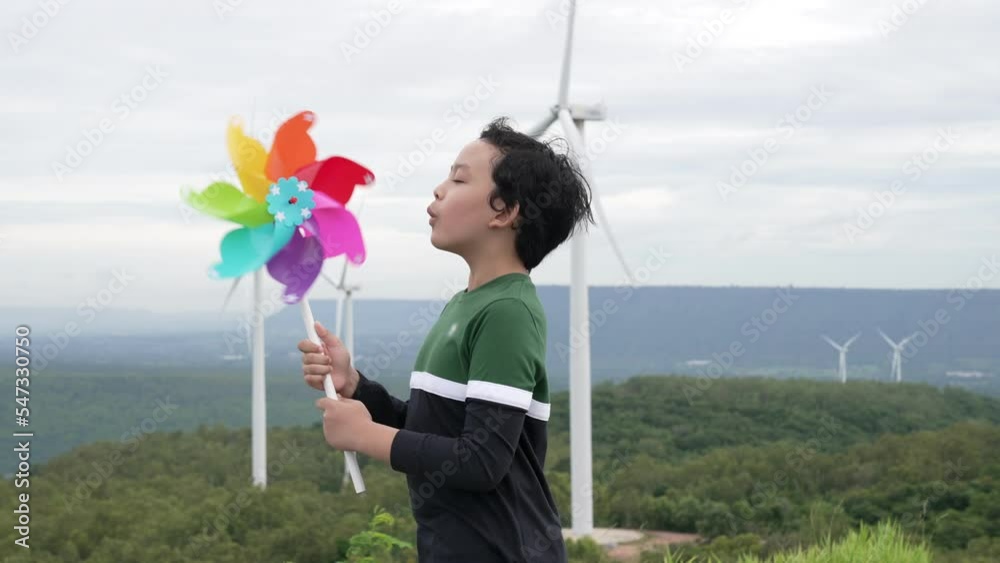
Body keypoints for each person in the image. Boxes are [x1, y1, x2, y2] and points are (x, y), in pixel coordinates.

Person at [299, 116, 594, 562]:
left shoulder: (507, 312)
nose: (439, 189)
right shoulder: (467, 304)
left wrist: (366, 436)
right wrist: (356, 385)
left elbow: (481, 462)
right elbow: (429, 428)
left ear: (505, 211)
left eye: (458, 179)